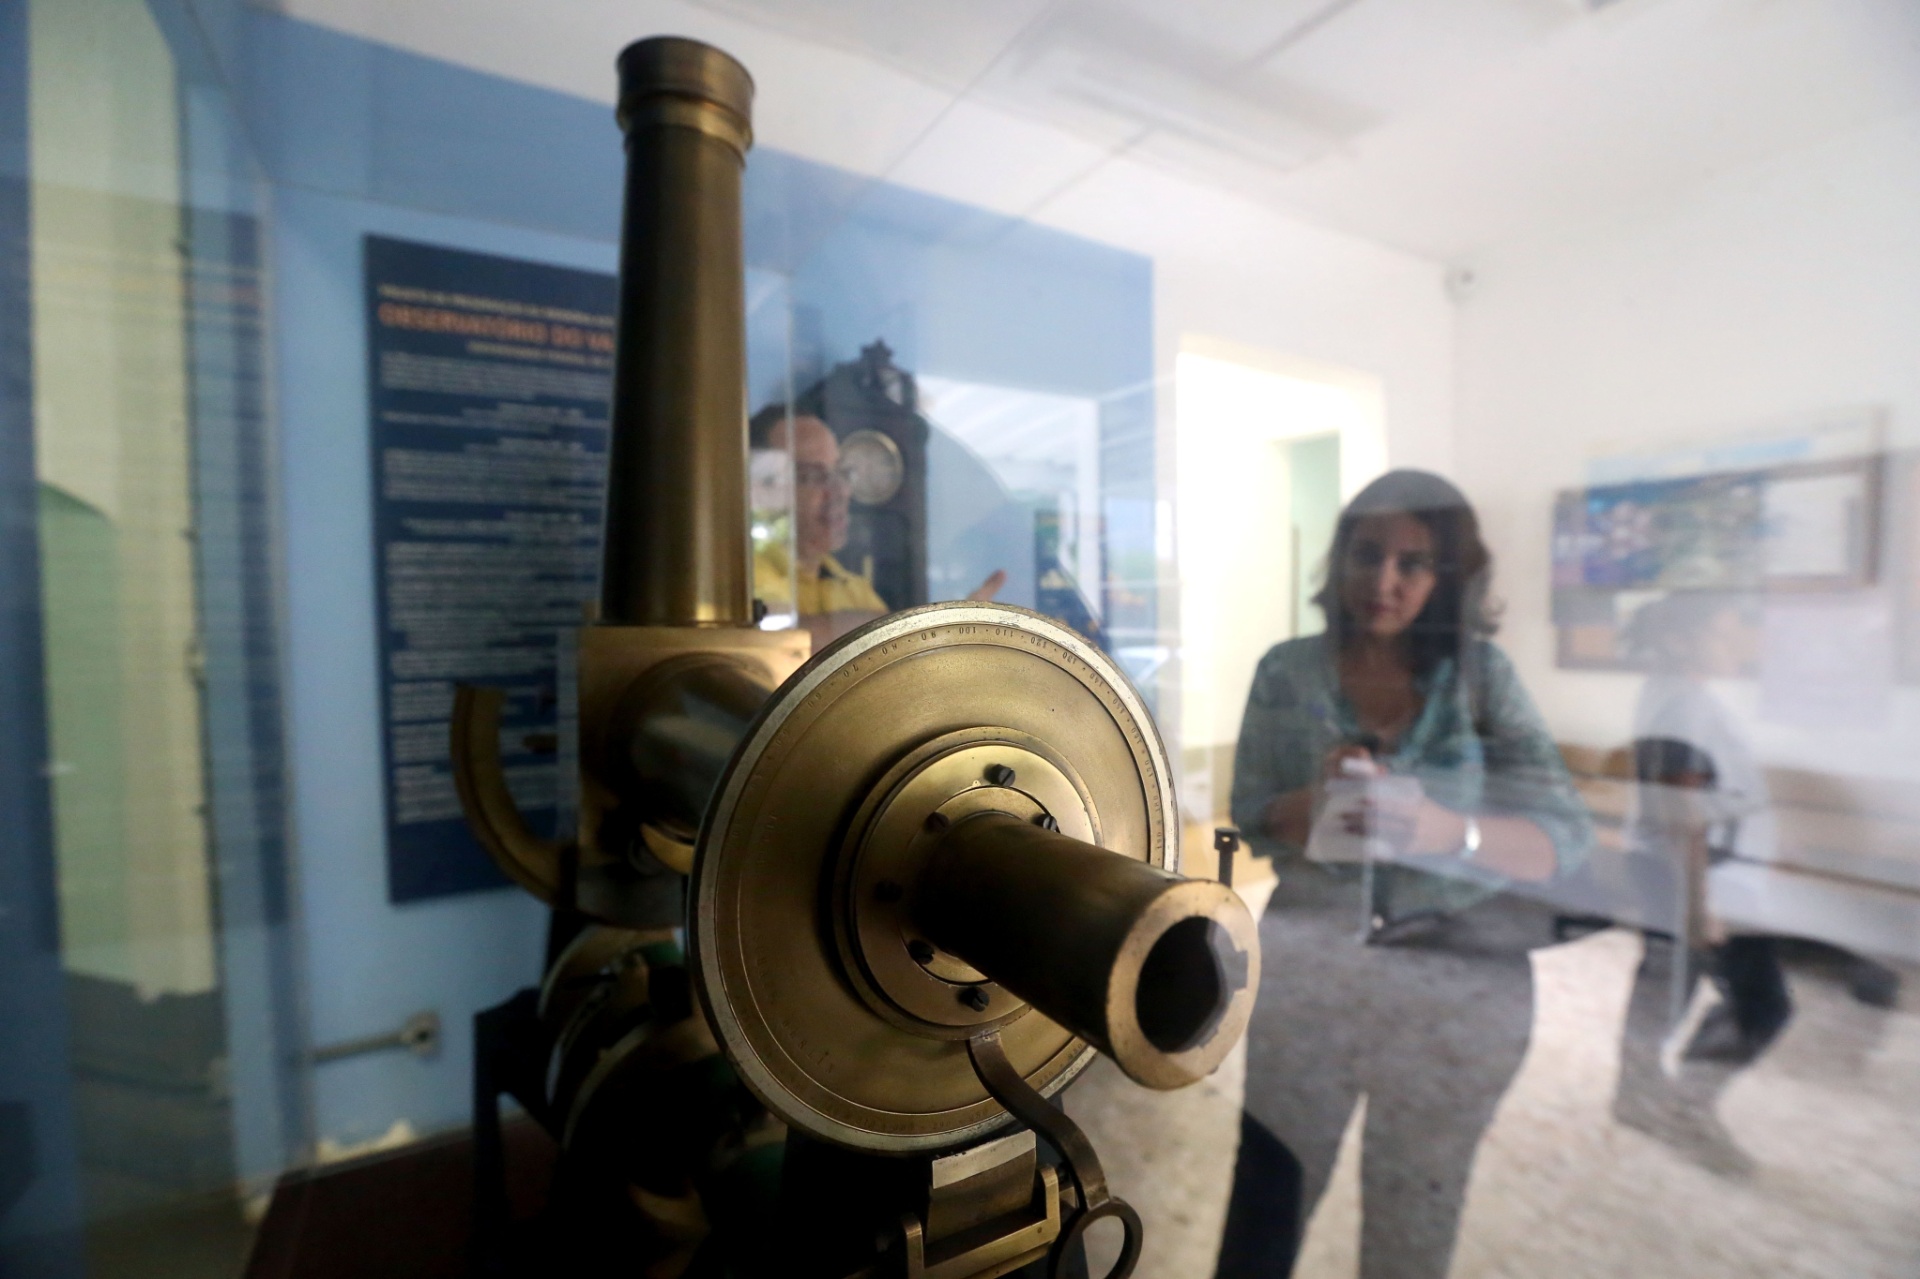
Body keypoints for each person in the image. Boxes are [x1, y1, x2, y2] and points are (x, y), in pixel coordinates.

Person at [1215, 469, 1591, 1279]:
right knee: (1268, 1196)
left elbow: (1565, 836)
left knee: (1413, 1212)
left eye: (1412, 563)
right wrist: (1309, 810)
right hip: (1311, 972)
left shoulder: (1482, 678)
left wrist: (1445, 832)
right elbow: (1248, 806)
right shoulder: (1287, 671)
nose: (1383, 580)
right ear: (1339, 558)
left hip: (1452, 990)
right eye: (1367, 553)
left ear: (1448, 576)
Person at [751, 406, 1002, 649]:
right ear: (762, 486)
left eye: (841, 472)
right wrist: (937, 628)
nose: (839, 491)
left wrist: (952, 634)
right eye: (812, 476)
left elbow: (895, 661)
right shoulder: (744, 576)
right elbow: (778, 641)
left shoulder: (853, 588)